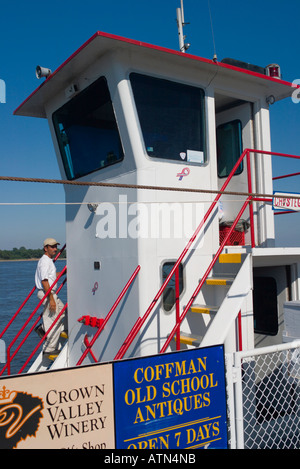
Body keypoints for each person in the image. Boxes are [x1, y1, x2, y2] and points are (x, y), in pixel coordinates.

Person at [34, 238, 67, 358]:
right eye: (52, 247)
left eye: (55, 246)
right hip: (47, 292)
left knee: (63, 312)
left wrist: (65, 271)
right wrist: (51, 299)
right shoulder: (45, 261)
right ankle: (49, 349)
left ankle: (43, 328)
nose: (55, 249)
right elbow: (44, 281)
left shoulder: (49, 261)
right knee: (54, 319)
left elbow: (52, 277)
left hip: (49, 292)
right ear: (45, 248)